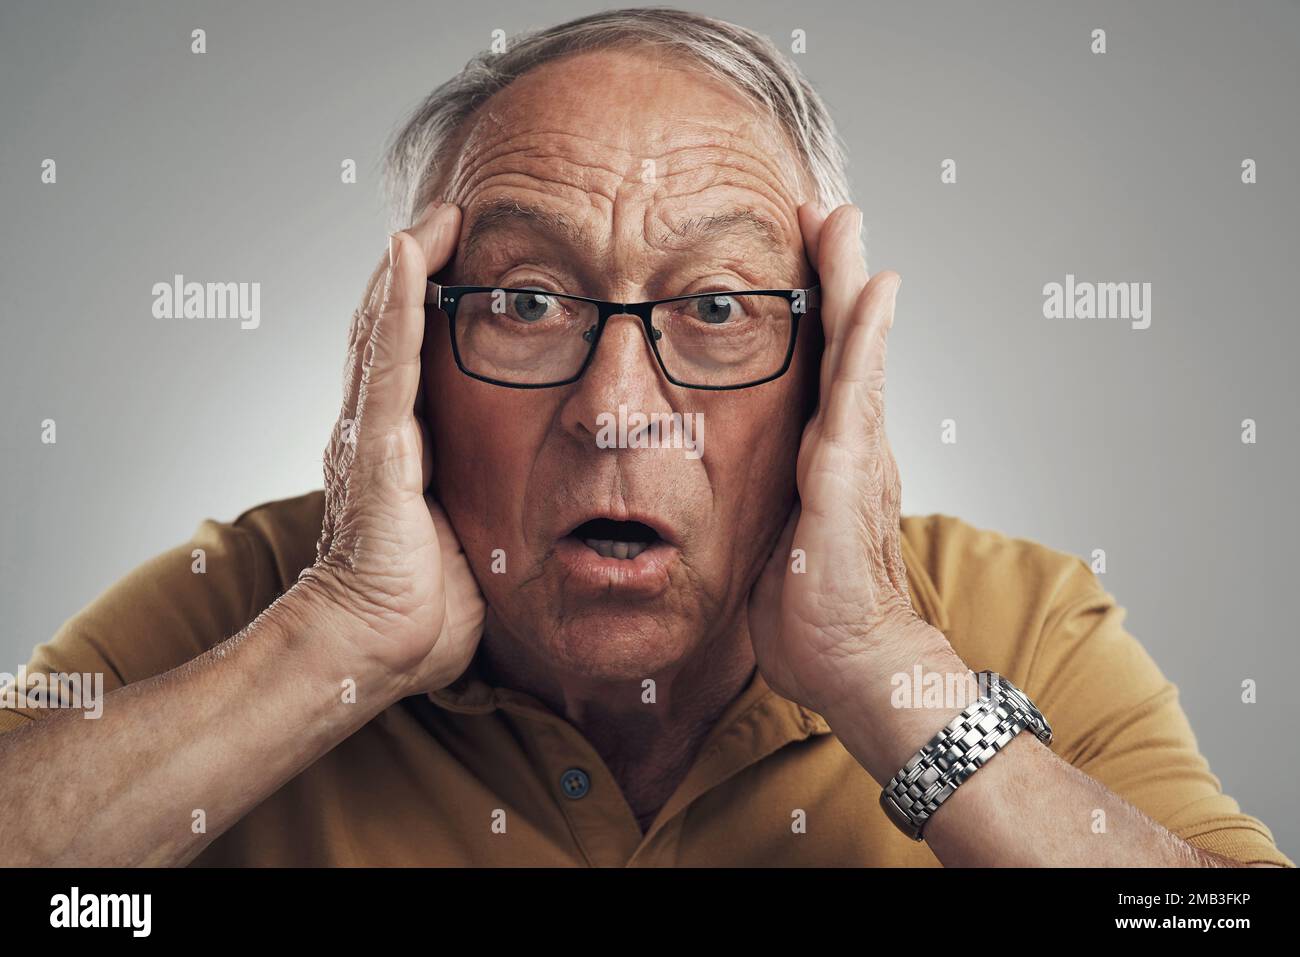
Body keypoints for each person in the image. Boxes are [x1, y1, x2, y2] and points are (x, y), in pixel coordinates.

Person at [0, 7, 1289, 867]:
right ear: (397, 355)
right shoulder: (250, 606)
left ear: (832, 365)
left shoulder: (1018, 621)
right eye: (524, 301)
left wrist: (882, 670)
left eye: (720, 306)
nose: (617, 406)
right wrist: (333, 639)